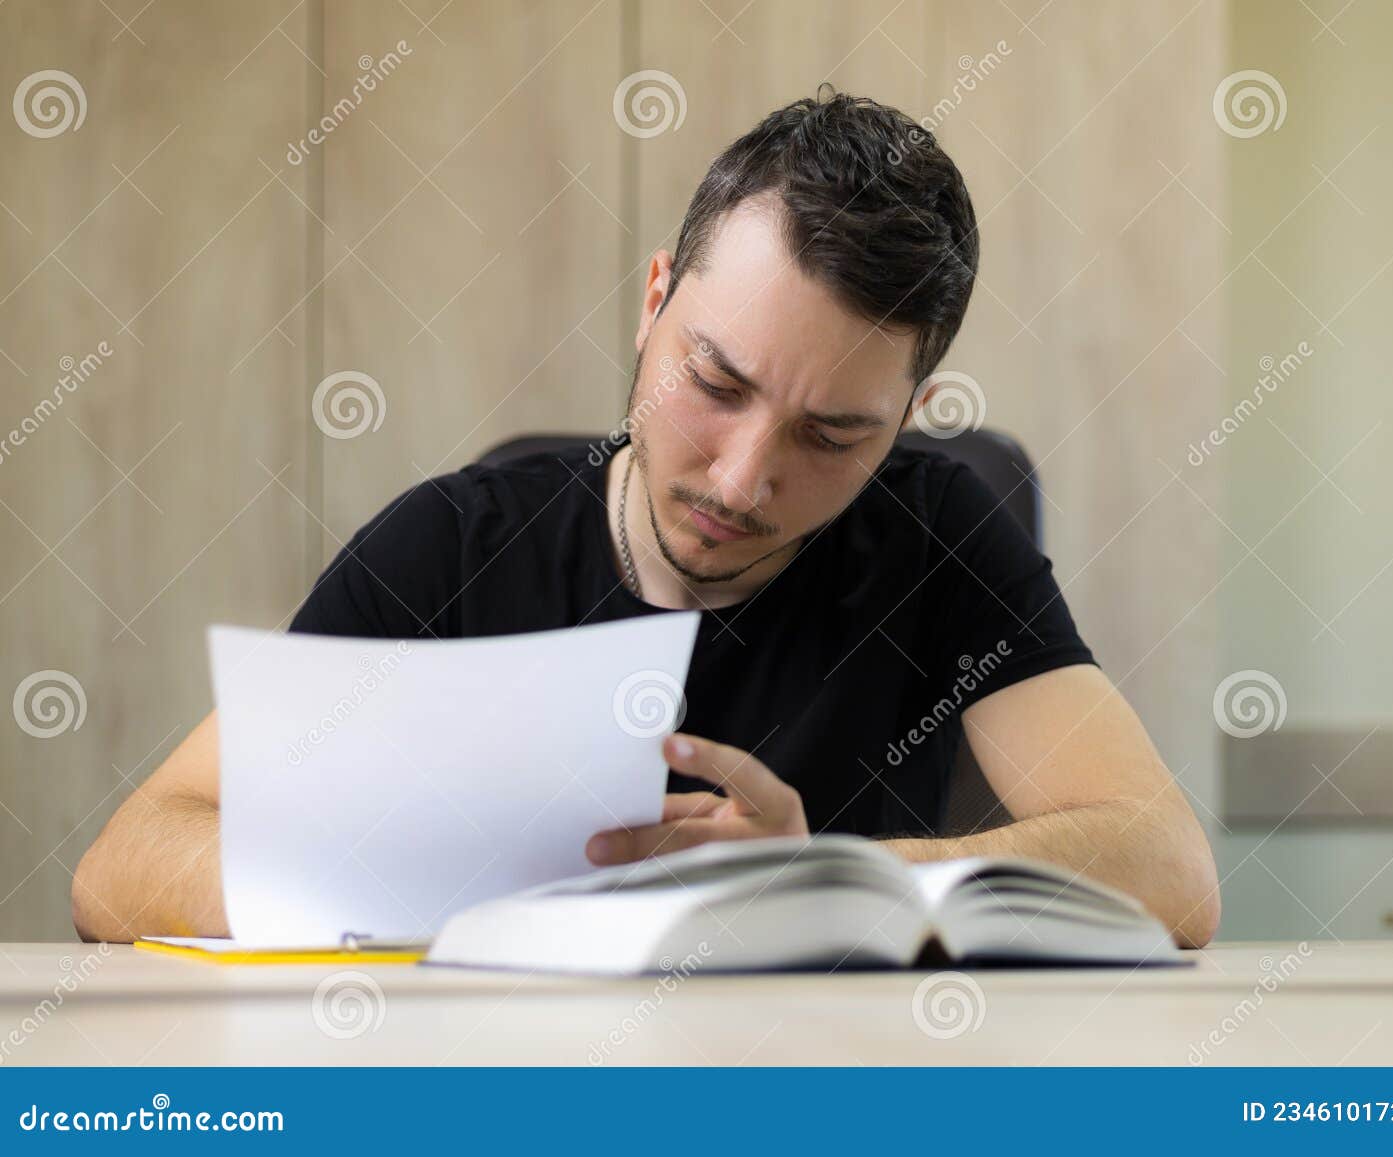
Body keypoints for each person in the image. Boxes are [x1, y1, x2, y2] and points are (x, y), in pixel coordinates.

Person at [72, 89, 1220, 948]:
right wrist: (459, 884)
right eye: (715, 384)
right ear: (654, 298)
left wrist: (822, 873)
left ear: (911, 414)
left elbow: (1167, 866)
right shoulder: (452, 547)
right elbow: (125, 864)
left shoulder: (938, 535)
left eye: (832, 436)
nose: (739, 480)